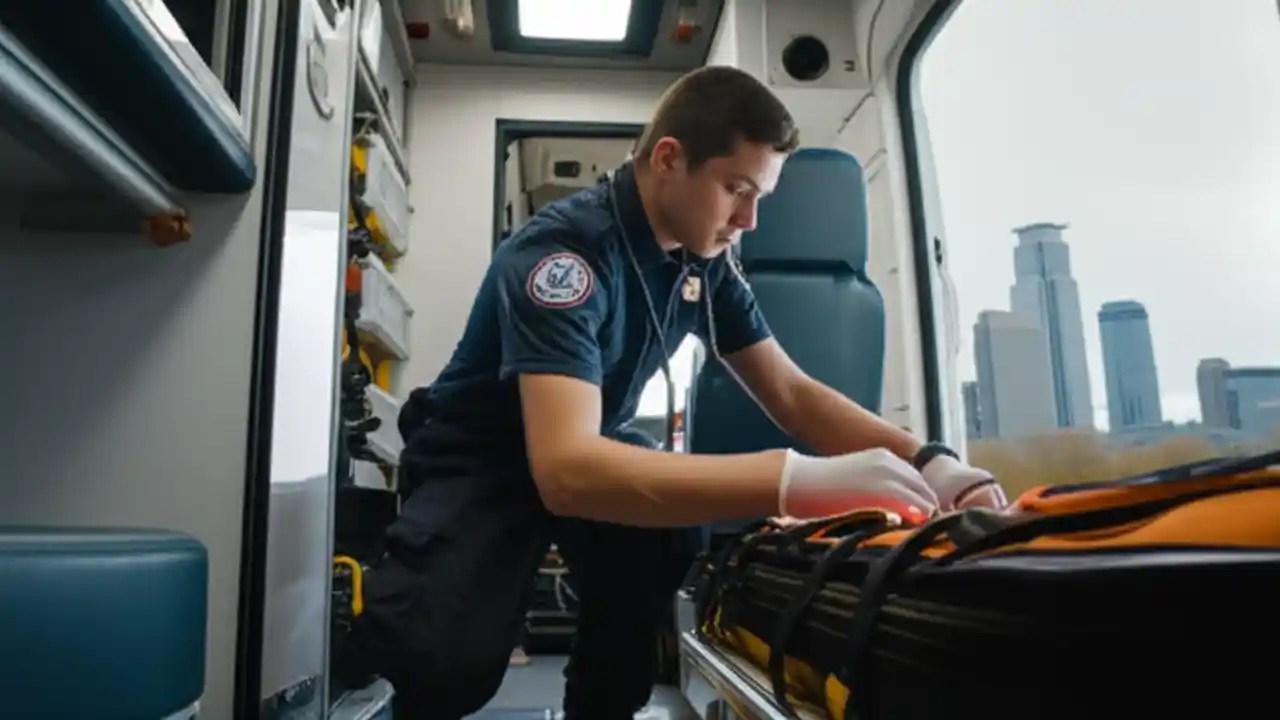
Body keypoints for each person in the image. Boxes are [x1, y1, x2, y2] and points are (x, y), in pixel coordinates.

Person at [333, 65, 1005, 719]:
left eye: (760, 197)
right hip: (484, 463)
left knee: (666, 535)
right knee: (445, 669)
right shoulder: (564, 257)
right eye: (737, 189)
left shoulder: (702, 263)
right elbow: (565, 471)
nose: (749, 221)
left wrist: (931, 460)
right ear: (668, 159)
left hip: (585, 441)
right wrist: (793, 481)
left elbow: (791, 394)